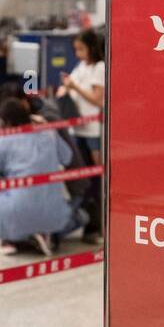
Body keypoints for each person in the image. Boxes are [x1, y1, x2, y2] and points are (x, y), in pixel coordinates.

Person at [0, 90, 83, 256]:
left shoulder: (5, 139)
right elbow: (67, 157)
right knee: (80, 216)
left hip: (20, 209)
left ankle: (5, 239)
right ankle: (41, 233)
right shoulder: (48, 131)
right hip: (55, 209)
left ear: (4, 121)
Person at [57, 26, 105, 242]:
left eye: (81, 50)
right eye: (75, 50)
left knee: (97, 178)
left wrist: (74, 88)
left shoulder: (100, 68)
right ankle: (89, 223)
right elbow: (69, 86)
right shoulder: (81, 67)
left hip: (93, 130)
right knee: (82, 178)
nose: (78, 54)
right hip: (78, 128)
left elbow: (97, 100)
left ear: (91, 48)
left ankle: (98, 224)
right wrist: (65, 89)